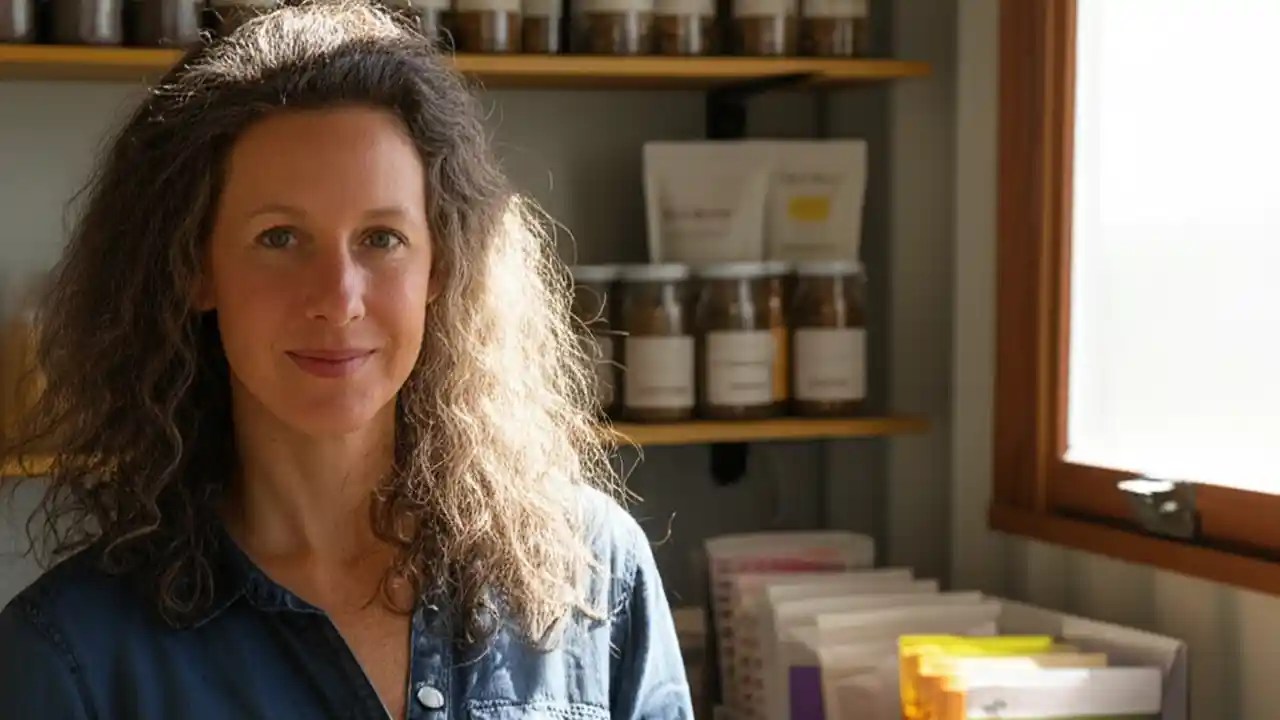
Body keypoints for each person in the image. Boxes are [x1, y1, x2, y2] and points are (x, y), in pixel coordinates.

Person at [0, 2, 693, 718]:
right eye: (279, 238)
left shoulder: (592, 572)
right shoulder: (69, 656)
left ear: (441, 267)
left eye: (382, 238)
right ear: (195, 268)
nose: (338, 299)